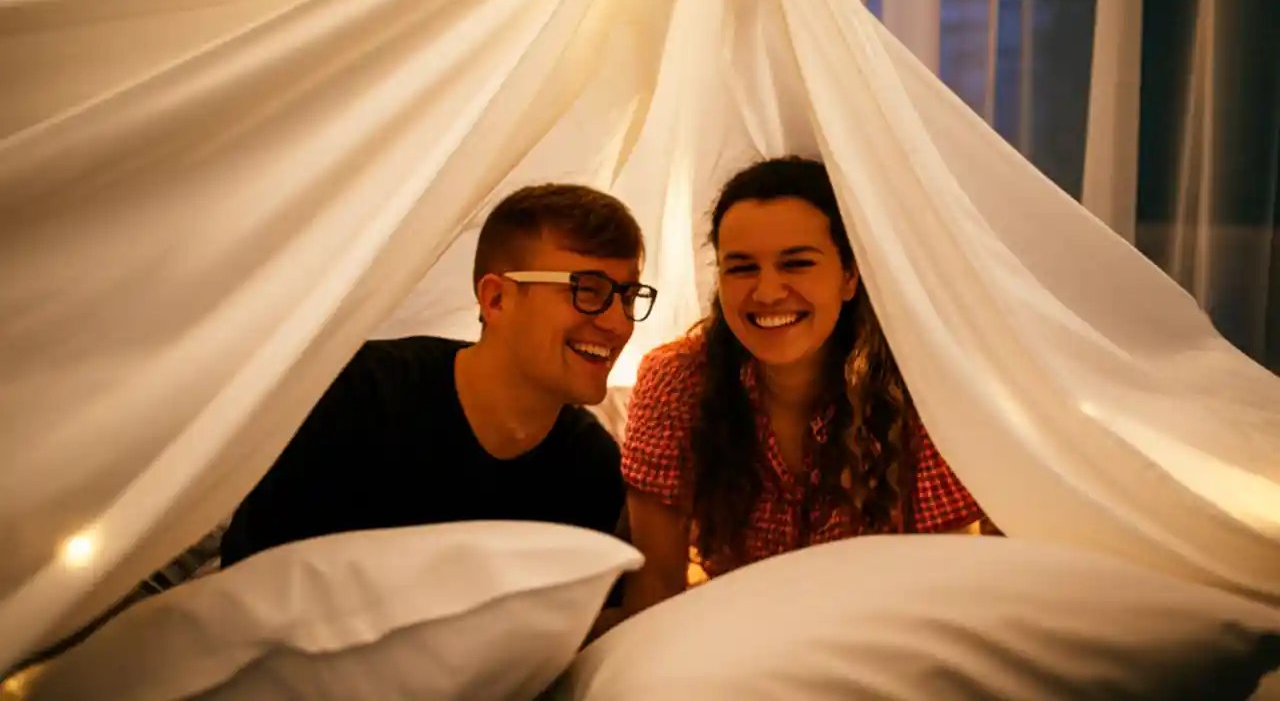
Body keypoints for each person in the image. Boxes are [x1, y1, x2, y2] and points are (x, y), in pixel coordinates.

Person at [617, 157, 986, 621]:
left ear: (850, 275)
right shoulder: (676, 381)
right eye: (742, 268)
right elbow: (655, 586)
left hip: (887, 640)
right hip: (734, 641)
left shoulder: (916, 385)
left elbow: (951, 589)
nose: (768, 292)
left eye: (796, 263)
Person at [221, 183, 657, 569]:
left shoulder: (589, 468)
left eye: (628, 297)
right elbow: (250, 580)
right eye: (588, 292)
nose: (618, 324)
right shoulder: (359, 397)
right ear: (497, 299)